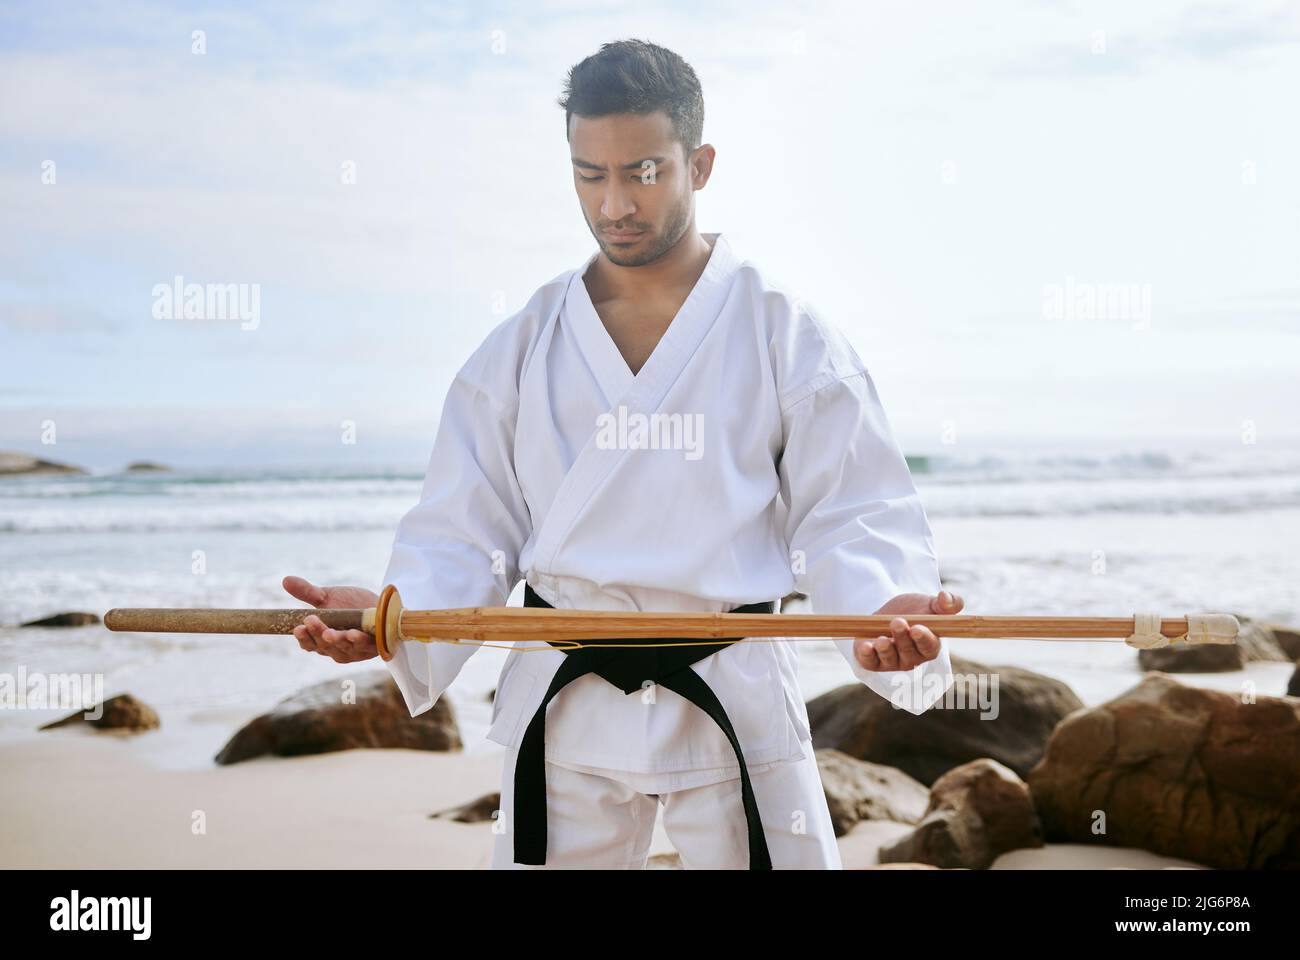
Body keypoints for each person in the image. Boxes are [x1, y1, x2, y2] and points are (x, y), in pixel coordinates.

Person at [283, 38, 963, 870]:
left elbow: (853, 509)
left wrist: (879, 615)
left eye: (643, 172)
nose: (615, 205)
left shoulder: (783, 329)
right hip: (565, 704)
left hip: (733, 691)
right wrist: (398, 616)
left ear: (699, 163)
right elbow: (466, 528)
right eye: (589, 174)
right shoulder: (524, 344)